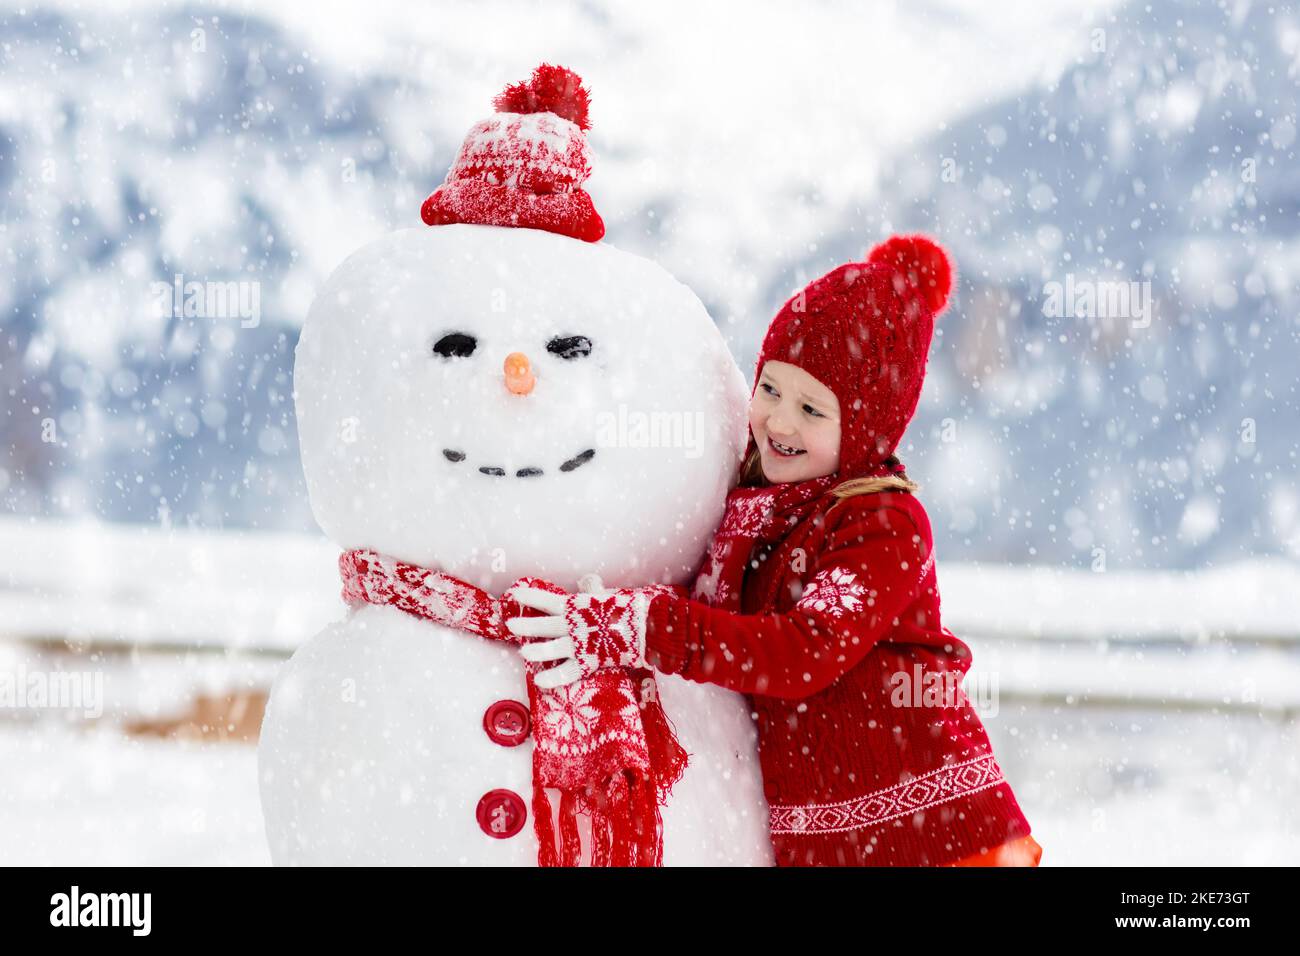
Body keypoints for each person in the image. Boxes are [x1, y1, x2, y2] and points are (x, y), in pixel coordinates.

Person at [506, 235, 1041, 867]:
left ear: (866, 425)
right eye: (770, 389)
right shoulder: (760, 507)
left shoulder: (885, 525)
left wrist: (644, 627)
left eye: (812, 408)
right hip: (826, 837)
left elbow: (800, 652)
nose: (779, 422)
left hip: (925, 831)